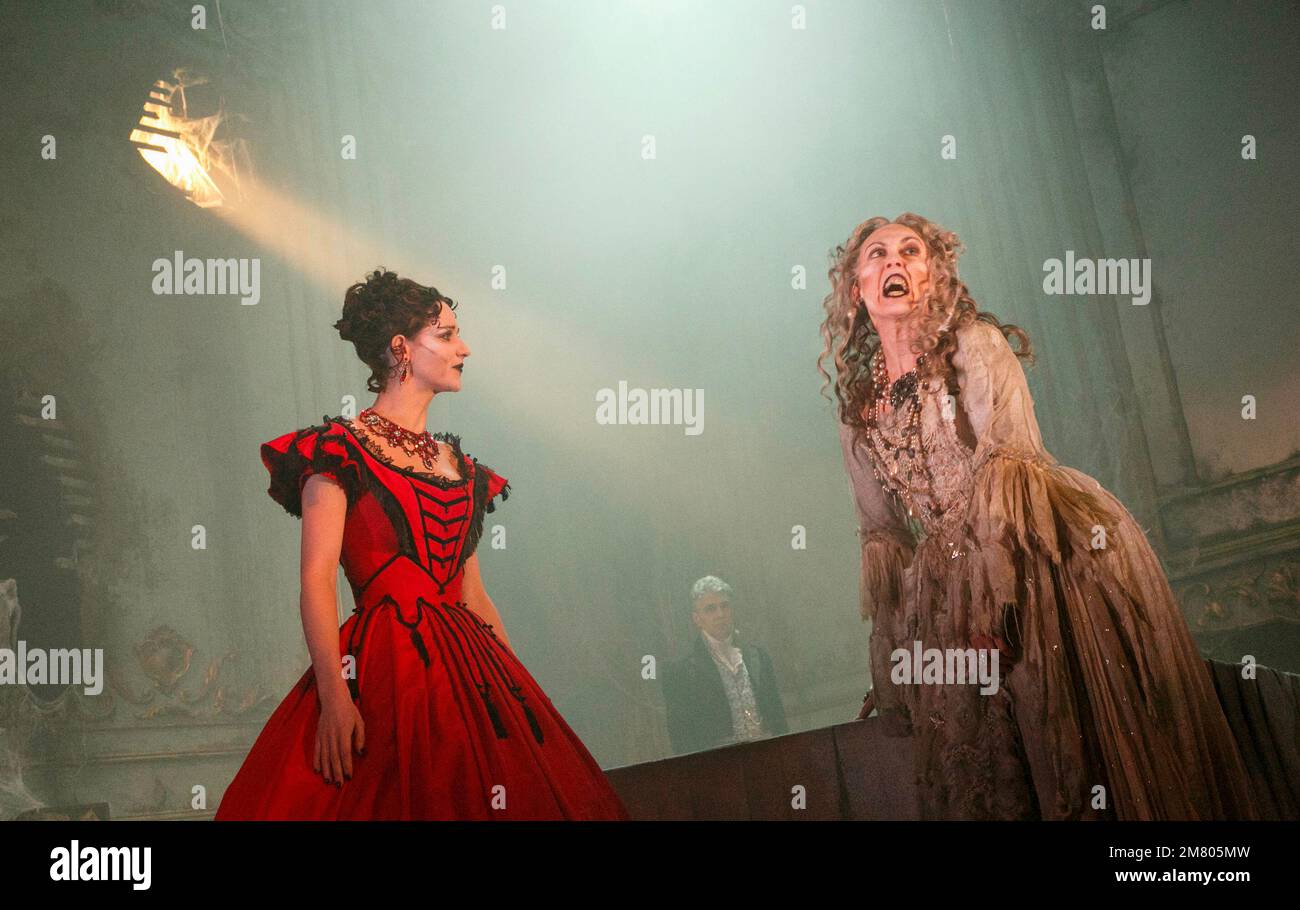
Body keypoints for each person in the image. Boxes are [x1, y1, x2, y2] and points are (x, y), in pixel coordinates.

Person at [817, 213, 1258, 821]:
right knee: (985, 771)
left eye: (911, 251)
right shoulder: (857, 406)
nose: (893, 262)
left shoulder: (973, 345)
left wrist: (995, 607)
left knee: (1061, 739)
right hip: (947, 580)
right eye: (876, 254)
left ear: (935, 274)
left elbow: (1007, 470)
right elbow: (882, 535)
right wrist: (895, 661)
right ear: (855, 287)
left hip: (1036, 559)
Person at [215, 269, 628, 820]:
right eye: (448, 335)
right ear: (400, 348)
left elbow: (474, 595)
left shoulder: (461, 467)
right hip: (384, 673)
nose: (465, 348)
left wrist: (519, 695)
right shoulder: (337, 451)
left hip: (469, 670)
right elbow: (316, 581)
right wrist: (336, 697)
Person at [662, 576, 788, 755]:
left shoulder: (758, 656)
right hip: (719, 768)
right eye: (710, 609)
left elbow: (778, 718)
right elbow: (681, 738)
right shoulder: (680, 672)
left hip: (767, 756)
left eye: (724, 606)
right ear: (697, 619)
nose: (720, 614)